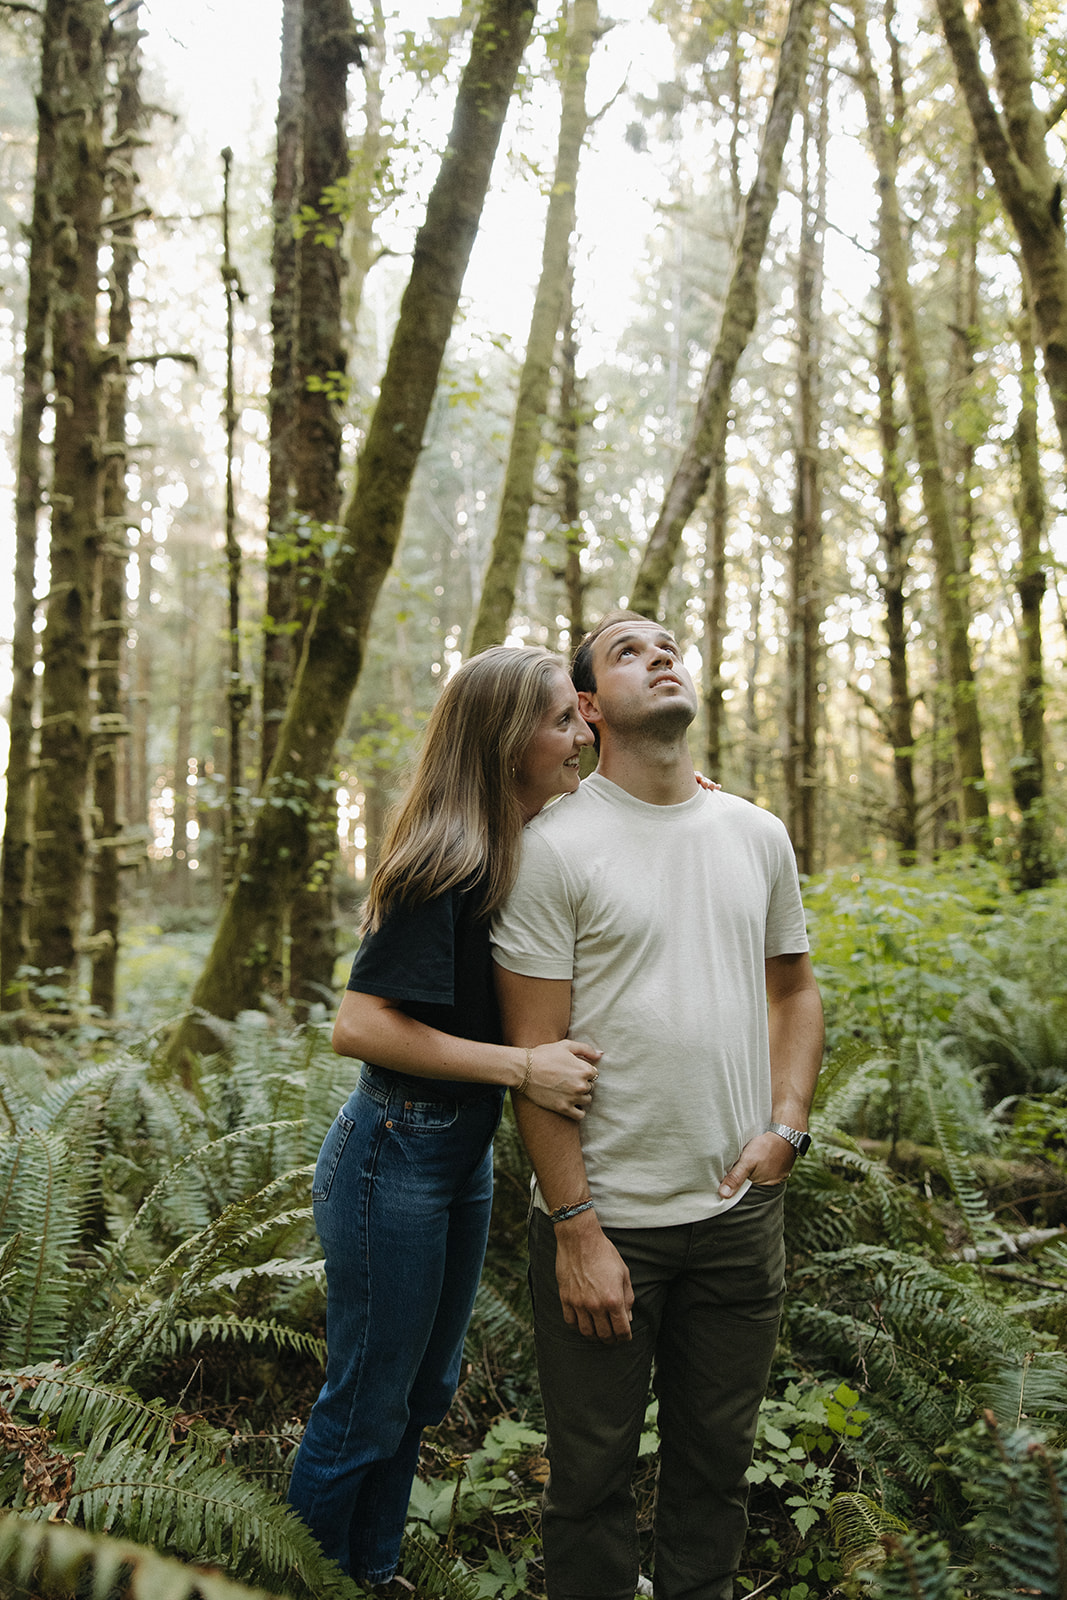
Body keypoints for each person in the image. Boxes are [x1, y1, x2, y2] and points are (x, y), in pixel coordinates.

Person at [491, 612, 824, 1600]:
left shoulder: (753, 832)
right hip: (608, 1225)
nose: (661, 654)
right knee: (588, 1478)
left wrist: (785, 1126)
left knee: (715, 1469)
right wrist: (575, 1224)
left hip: (737, 1217)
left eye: (667, 643)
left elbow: (793, 991)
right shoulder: (551, 847)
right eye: (628, 652)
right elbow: (533, 1056)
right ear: (587, 709)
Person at [286, 645, 605, 1587]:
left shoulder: (525, 838)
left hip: (456, 1160)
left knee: (422, 1393)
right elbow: (358, 1024)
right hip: (395, 1153)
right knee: (364, 1407)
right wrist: (523, 1068)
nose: (581, 734)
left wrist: (677, 796)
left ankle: (371, 1575)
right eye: (561, 721)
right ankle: (304, 1579)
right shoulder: (446, 858)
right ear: (508, 740)